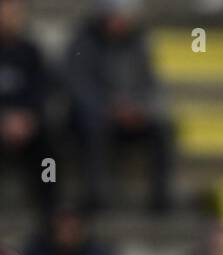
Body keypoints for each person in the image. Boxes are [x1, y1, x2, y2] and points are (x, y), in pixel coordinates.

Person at [64, 0, 175, 212]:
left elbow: (150, 84)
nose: (121, 22)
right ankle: (95, 194)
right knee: (91, 125)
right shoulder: (83, 42)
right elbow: (78, 85)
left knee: (163, 126)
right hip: (96, 115)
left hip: (131, 113)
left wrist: (139, 108)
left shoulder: (139, 44)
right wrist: (110, 108)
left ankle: (161, 197)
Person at [0, 0, 57, 215]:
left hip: (27, 124)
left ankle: (49, 205)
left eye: (13, 14)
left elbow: (42, 89)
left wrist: (29, 119)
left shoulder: (30, 51)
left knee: (48, 154)